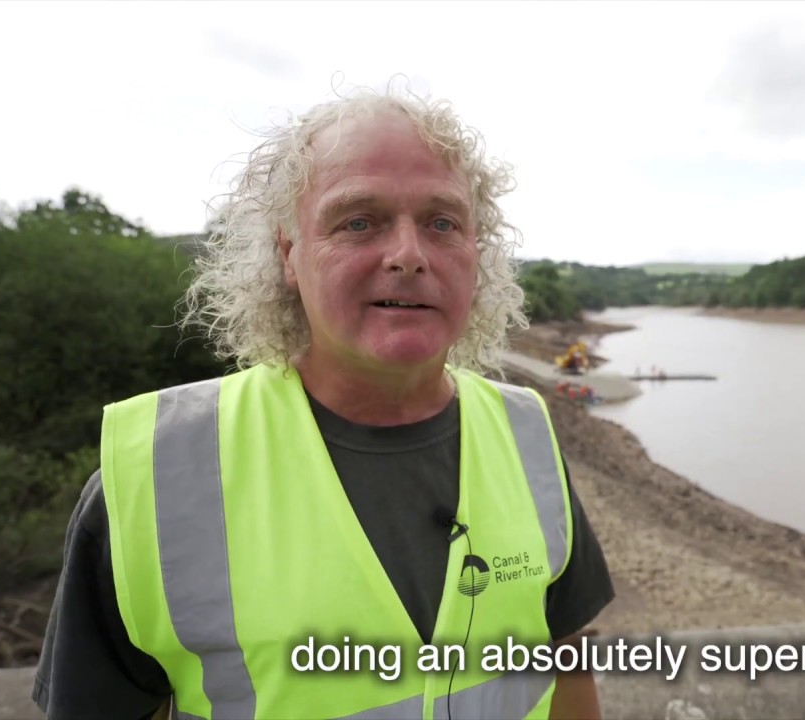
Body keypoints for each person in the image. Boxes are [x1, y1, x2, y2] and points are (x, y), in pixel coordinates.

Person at [32, 85, 615, 720]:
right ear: (289, 254)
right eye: (358, 221)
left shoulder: (525, 432)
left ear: (477, 253)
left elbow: (565, 668)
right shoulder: (159, 475)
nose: (409, 255)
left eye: (442, 222)